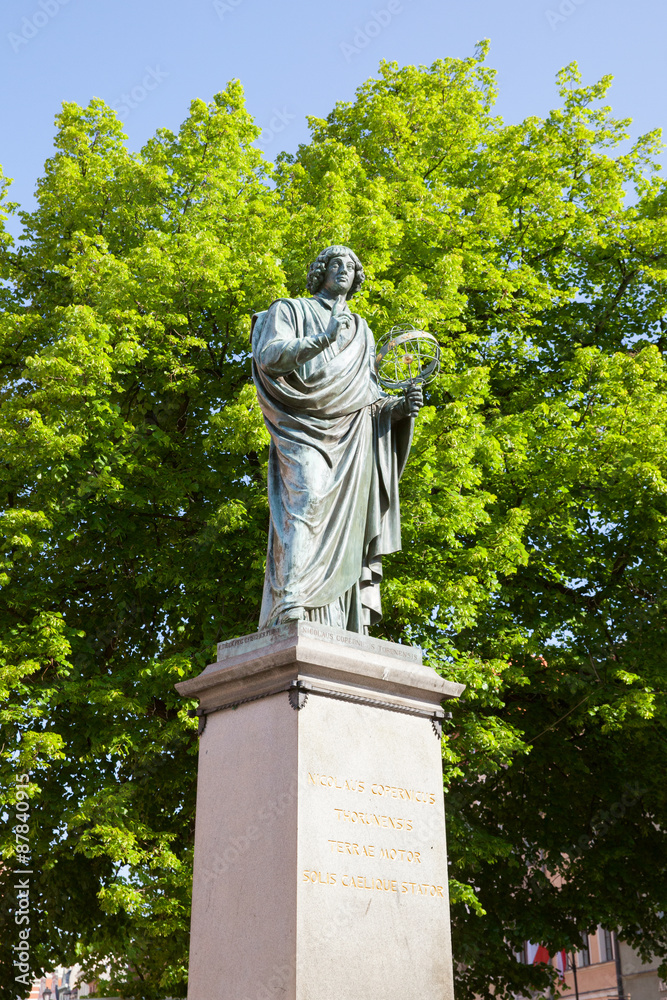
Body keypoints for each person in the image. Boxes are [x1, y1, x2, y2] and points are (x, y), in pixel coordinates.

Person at [251, 245, 423, 633]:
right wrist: (323, 339)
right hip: (301, 426)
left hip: (352, 437)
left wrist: (399, 409)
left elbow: (369, 399)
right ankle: (291, 601)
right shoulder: (290, 310)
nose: (344, 270)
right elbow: (269, 357)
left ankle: (336, 621)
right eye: (336, 263)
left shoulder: (362, 330)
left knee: (349, 526)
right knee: (307, 499)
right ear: (321, 271)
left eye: (351, 266)